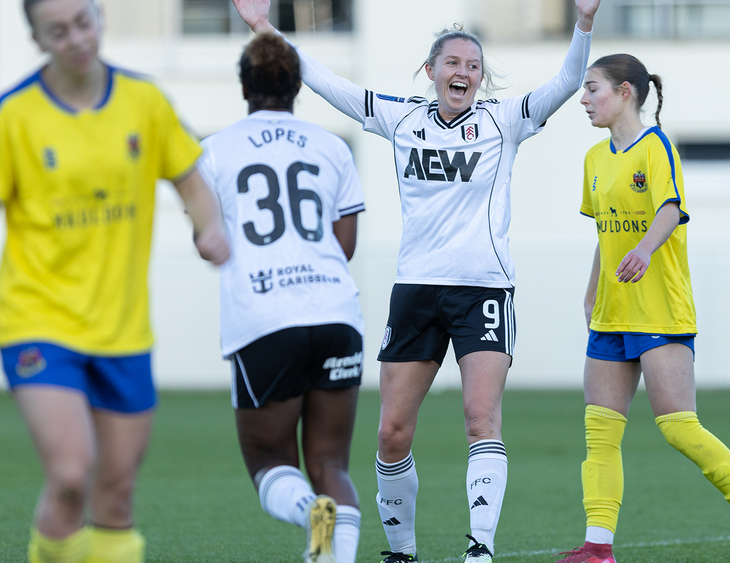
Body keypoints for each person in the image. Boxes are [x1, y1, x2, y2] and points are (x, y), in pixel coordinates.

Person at [229, 1, 600, 561]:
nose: (464, 73)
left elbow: (570, 80)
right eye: (453, 62)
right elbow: (329, 83)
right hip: (417, 290)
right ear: (432, 71)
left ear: (481, 77)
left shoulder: (505, 119)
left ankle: (480, 549)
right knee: (391, 434)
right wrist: (265, 28)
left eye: (474, 66)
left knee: (481, 419)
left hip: (484, 290)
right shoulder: (402, 117)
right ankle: (402, 552)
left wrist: (584, 21)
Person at [0, 0, 230, 562]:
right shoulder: (14, 114)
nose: (76, 38)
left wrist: (211, 228)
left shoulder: (144, 102)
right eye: (57, 30)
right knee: (73, 472)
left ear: (99, 18)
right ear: (36, 39)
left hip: (123, 329)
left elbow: (192, 180)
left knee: (116, 494)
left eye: (84, 21)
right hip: (38, 319)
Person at [554, 54, 730, 563]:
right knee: (599, 434)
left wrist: (644, 249)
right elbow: (603, 231)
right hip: (612, 314)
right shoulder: (595, 159)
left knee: (678, 427)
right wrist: (592, 288)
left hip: (660, 311)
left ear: (624, 92)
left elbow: (669, 209)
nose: (583, 99)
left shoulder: (657, 146)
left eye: (592, 89)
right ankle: (598, 548)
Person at [195, 31, 366, 563]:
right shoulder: (332, 145)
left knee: (269, 462)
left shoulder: (213, 151)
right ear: (297, 87)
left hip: (265, 316)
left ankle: (313, 516)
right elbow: (346, 244)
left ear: (245, 86)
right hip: (337, 311)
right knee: (331, 465)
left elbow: (209, 243)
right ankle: (328, 551)